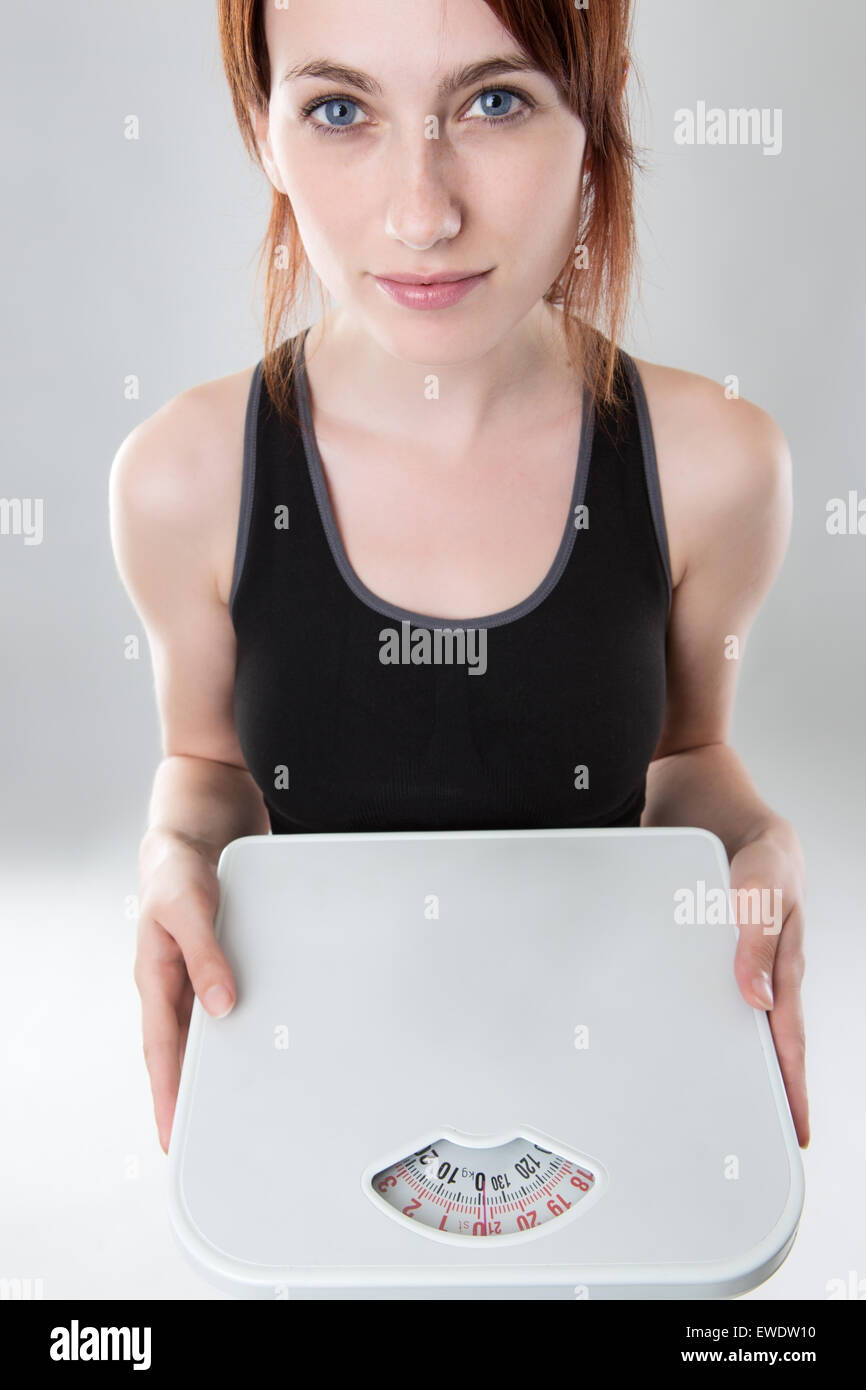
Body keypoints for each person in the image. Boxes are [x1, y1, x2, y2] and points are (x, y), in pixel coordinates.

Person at [109, 0, 808, 1155]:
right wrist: (173, 851)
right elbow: (208, 766)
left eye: (494, 102)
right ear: (261, 125)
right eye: (340, 110)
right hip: (321, 1108)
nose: (422, 213)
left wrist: (752, 841)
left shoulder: (714, 463)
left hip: (602, 1108)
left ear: (594, 105)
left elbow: (681, 759)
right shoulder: (183, 481)